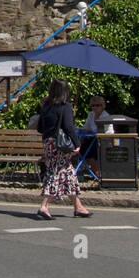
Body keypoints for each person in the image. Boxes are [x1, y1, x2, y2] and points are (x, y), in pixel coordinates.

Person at [35, 79, 91, 220]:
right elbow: (69, 127)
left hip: (48, 143)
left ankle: (78, 206)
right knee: (55, 172)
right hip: (60, 145)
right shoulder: (65, 106)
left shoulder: (46, 106)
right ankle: (44, 206)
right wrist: (77, 143)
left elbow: (40, 128)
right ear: (65, 92)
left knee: (68, 172)